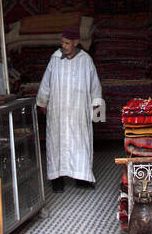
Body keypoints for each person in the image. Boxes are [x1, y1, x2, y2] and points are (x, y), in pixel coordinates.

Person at [36, 25, 103, 191]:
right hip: (58, 112)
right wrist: (43, 103)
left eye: (67, 43)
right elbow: (46, 84)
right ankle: (56, 180)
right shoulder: (55, 59)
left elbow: (95, 86)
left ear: (76, 42)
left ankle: (82, 178)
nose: (63, 46)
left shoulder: (86, 60)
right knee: (56, 145)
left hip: (78, 112)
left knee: (80, 144)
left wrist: (98, 112)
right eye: (62, 43)